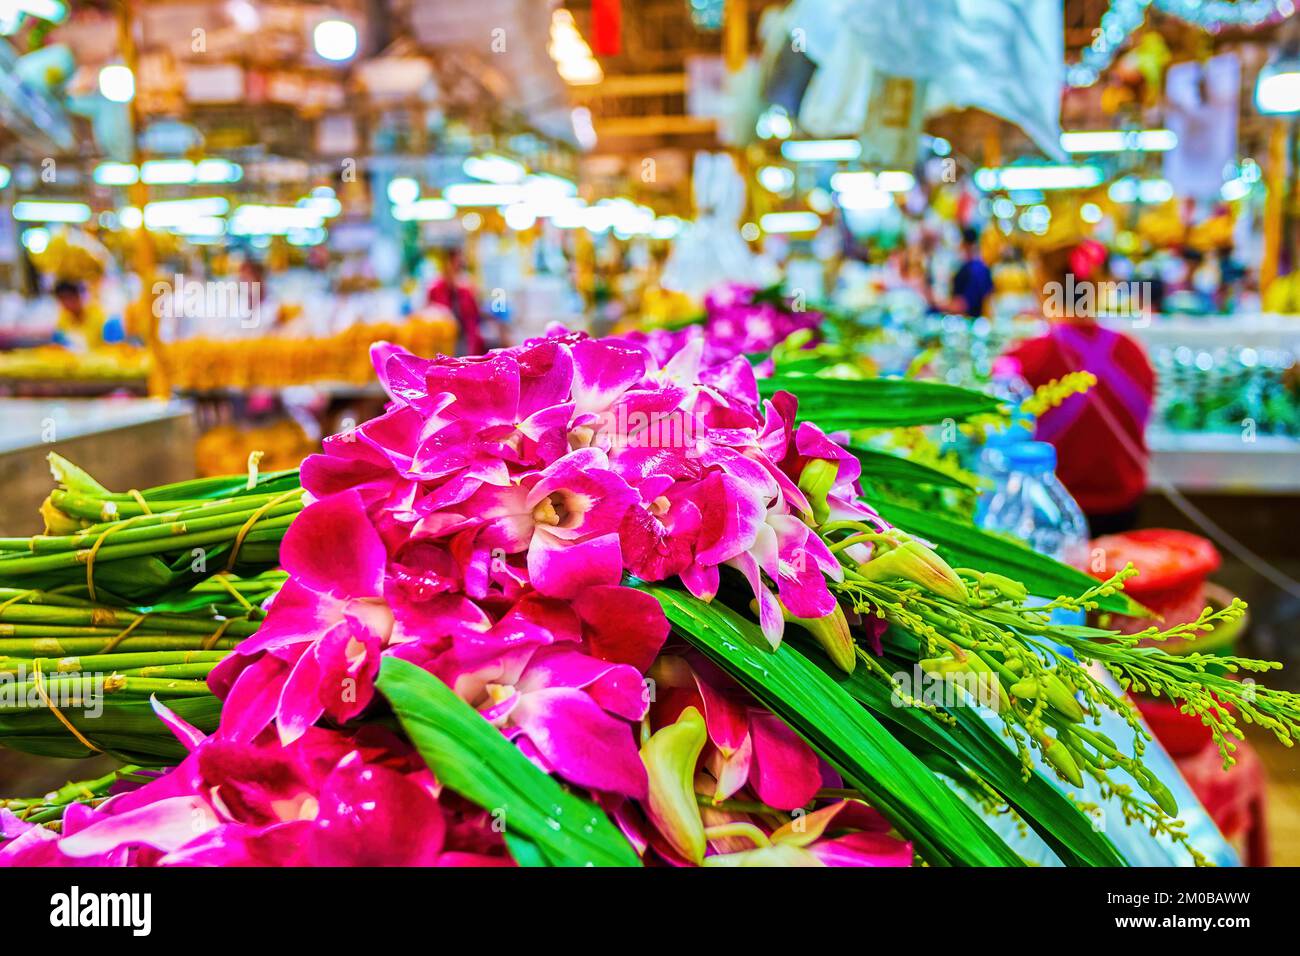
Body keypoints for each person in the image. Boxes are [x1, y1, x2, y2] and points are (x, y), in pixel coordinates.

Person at [1005, 244, 1157, 535]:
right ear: (1101, 287)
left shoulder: (1025, 358)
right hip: (1123, 509)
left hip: (1052, 514)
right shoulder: (1133, 353)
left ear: (1043, 290)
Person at [427, 248, 487, 355]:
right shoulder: (435, 287)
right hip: (444, 339)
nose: (457, 265)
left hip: (466, 337)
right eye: (455, 262)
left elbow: (475, 313)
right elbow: (430, 313)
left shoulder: (467, 286)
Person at [947, 226, 994, 317]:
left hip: (967, 319)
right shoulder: (982, 267)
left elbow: (962, 305)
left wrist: (939, 304)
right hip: (980, 319)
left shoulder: (973, 269)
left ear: (964, 244)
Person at [52, 280, 107, 350]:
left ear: (78, 296)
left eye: (69, 298)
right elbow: (60, 343)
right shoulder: (63, 317)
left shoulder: (97, 314)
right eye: (62, 299)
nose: (67, 303)